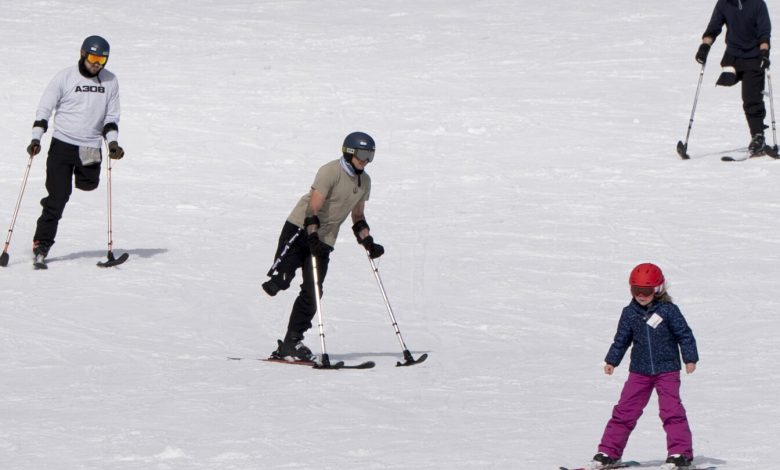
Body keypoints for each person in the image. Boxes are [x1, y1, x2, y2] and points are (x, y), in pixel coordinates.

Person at [262, 131, 385, 361]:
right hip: (300, 229)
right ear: (349, 152)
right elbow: (313, 210)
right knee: (281, 280)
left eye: (370, 155)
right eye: (362, 154)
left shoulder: (365, 182)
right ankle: (279, 278)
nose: (365, 160)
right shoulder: (330, 171)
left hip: (325, 239)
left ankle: (291, 342)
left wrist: (368, 241)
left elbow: (358, 217)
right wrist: (312, 237)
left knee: (313, 291)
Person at [26, 35, 124, 266]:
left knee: (89, 184)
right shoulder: (65, 77)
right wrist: (36, 138)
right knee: (58, 196)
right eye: (92, 58)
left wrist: (112, 144)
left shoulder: (111, 81)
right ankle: (42, 243)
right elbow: (45, 108)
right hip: (62, 145)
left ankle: (81, 178)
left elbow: (111, 117)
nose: (96, 64)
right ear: (82, 54)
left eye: (102, 59)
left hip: (90, 147)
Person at [590, 263, 699, 469]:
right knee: (624, 411)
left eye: (646, 291)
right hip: (639, 371)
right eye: (636, 290)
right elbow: (621, 339)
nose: (641, 295)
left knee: (671, 410)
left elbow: (684, 334)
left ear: (657, 289)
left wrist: (690, 358)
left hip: (667, 369)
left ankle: (680, 454)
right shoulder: (629, 313)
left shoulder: (669, 311)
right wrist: (612, 360)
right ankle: (609, 453)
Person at [695, 0, 772, 155]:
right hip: (732, 56)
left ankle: (758, 136)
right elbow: (713, 27)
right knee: (726, 81)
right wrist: (704, 47)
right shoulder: (724, 3)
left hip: (753, 56)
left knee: (751, 97)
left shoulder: (757, 4)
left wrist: (764, 53)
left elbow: (764, 33)